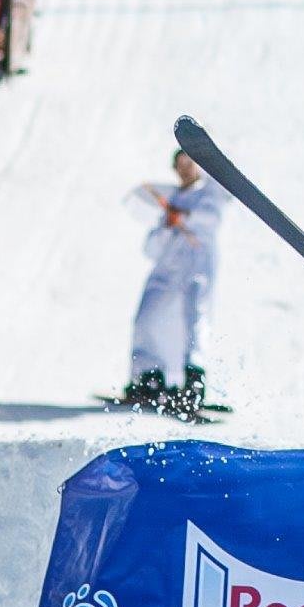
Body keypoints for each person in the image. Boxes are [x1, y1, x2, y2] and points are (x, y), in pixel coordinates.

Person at [121, 147, 227, 414]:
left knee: (194, 320)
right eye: (180, 164)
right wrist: (168, 226)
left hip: (197, 268)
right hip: (167, 271)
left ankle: (192, 384)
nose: (185, 169)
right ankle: (149, 378)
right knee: (148, 318)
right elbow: (151, 248)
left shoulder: (206, 194)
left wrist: (186, 218)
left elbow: (212, 218)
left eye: (189, 163)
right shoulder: (169, 203)